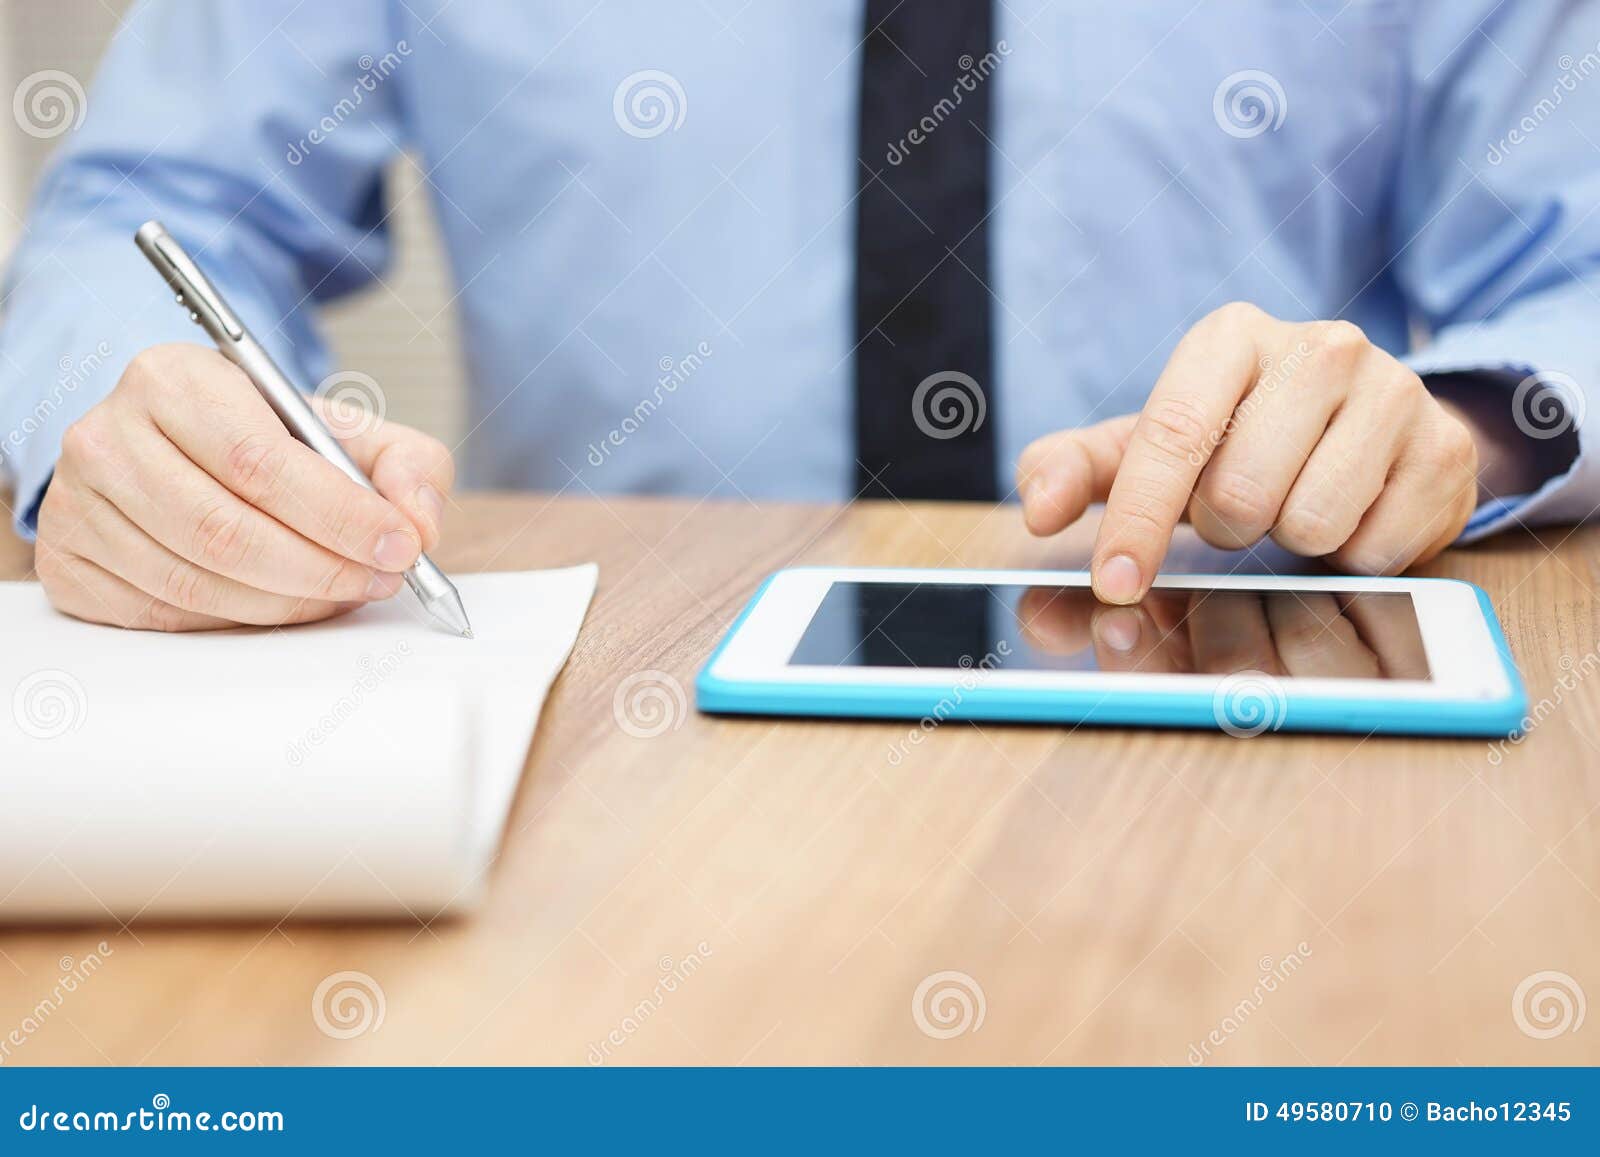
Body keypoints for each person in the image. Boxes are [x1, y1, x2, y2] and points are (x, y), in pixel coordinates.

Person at [0, 1, 1595, 632]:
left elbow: (1574, 274)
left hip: (1253, 688)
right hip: (609, 745)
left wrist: (1458, 421)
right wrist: (118, 433)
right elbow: (156, 206)